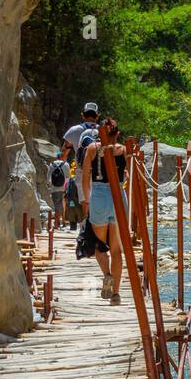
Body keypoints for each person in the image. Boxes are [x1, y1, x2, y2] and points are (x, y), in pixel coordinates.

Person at [80, 117, 127, 305]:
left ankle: (107, 274)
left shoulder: (92, 149)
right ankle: (115, 294)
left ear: (100, 133)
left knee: (100, 245)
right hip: (118, 196)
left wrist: (86, 200)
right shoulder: (123, 150)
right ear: (117, 134)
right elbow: (130, 175)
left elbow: (85, 177)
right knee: (117, 250)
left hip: (98, 196)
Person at [60, 102, 99, 229]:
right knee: (97, 196)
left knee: (84, 198)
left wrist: (62, 167)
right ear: (97, 116)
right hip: (99, 171)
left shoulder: (74, 130)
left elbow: (64, 153)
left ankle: (86, 224)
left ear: (83, 115)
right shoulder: (102, 131)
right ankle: (97, 225)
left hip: (82, 170)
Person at [47, 154, 68, 224]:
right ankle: (64, 221)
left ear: (56, 157)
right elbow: (69, 177)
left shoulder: (51, 165)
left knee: (56, 206)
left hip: (54, 189)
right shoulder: (66, 164)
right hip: (64, 189)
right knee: (63, 205)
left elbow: (48, 177)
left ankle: (57, 222)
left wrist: (50, 186)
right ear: (62, 157)